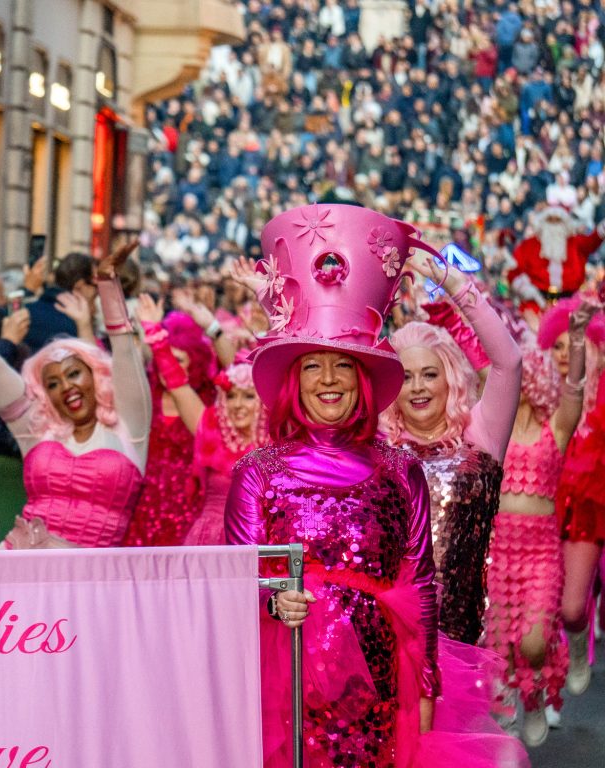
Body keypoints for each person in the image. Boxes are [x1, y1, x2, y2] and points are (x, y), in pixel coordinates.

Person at [225, 204, 528, 768]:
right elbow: (233, 578)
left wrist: (428, 687)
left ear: (363, 379)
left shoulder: (398, 469)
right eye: (313, 366)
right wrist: (272, 599)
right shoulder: (256, 472)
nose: (330, 379)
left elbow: (420, 584)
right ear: (294, 381)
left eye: (343, 364)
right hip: (285, 683)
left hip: (381, 688)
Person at [0, 242, 151, 549]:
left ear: (96, 377)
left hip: (92, 587)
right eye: (53, 384)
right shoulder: (36, 430)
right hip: (21, 573)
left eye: (74, 374)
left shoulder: (129, 428)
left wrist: (107, 287)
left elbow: (126, 352)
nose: (66, 387)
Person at [382, 259, 522, 644]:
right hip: (391, 633)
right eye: (405, 377)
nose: (418, 388)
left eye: (429, 374)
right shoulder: (379, 442)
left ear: (451, 378)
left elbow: (508, 362)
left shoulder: (481, 432)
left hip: (462, 638)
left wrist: (452, 281)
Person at [483, 299, 596, 747]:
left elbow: (576, 390)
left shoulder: (557, 429)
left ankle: (534, 696)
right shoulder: (494, 427)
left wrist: (579, 347)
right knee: (498, 646)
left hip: (540, 554)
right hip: (498, 552)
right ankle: (514, 706)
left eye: (530, 372)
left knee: (531, 643)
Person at [137, 294, 267, 546]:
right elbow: (176, 383)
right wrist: (154, 333)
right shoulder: (210, 426)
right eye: (230, 397)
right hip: (208, 541)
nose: (238, 405)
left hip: (257, 542)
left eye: (249, 397)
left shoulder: (276, 439)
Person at [548, 297, 605, 697]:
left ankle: (581, 635)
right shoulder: (539, 395)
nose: (568, 354)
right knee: (539, 611)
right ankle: (543, 686)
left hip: (588, 513)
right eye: (558, 346)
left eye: (578, 343)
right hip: (541, 512)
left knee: (570, 609)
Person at [123, 310, 216, 547]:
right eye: (168, 358)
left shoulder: (206, 402)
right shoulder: (146, 399)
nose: (169, 366)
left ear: (194, 363)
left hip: (189, 508)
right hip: (145, 507)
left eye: (180, 360)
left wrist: (216, 328)